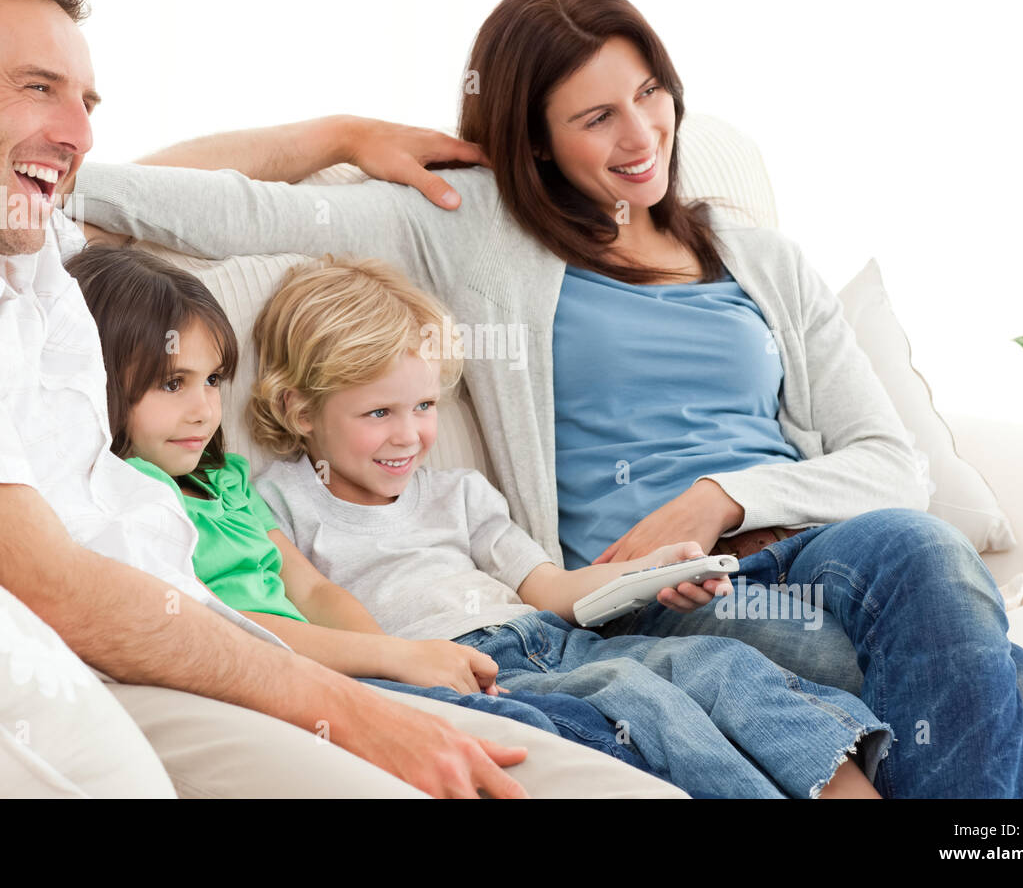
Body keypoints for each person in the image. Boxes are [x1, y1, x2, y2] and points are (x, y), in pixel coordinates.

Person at [69, 0, 1023, 798]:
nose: (641, 135)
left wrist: (727, 494)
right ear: (535, 139)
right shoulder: (471, 222)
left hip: (820, 550)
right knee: (1019, 690)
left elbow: (891, 465)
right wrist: (335, 134)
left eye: (650, 93)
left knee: (923, 550)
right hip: (653, 595)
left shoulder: (763, 259)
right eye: (596, 116)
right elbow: (141, 197)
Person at [0, 0, 688, 798]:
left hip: (217, 650)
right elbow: (49, 586)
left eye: (86, 103)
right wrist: (350, 710)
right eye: (37, 86)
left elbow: (175, 181)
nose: (80, 134)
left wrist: (337, 136)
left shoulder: (17, 245)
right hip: (125, 683)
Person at [243, 253, 891, 798]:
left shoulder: (459, 493)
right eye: (379, 411)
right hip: (462, 674)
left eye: (424, 405)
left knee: (723, 666)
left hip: (551, 639)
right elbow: (308, 603)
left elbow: (551, 586)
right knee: (653, 707)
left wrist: (652, 571)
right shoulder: (275, 502)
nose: (409, 434)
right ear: (298, 409)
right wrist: (402, 662)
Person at [64, 242, 660, 777]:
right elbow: (227, 631)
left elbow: (315, 592)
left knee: (647, 695)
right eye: (173, 384)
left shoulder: (228, 482)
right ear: (101, 381)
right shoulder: (128, 497)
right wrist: (391, 661)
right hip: (283, 680)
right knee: (568, 730)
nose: (204, 410)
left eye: (214, 379)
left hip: (359, 668)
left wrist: (400, 664)